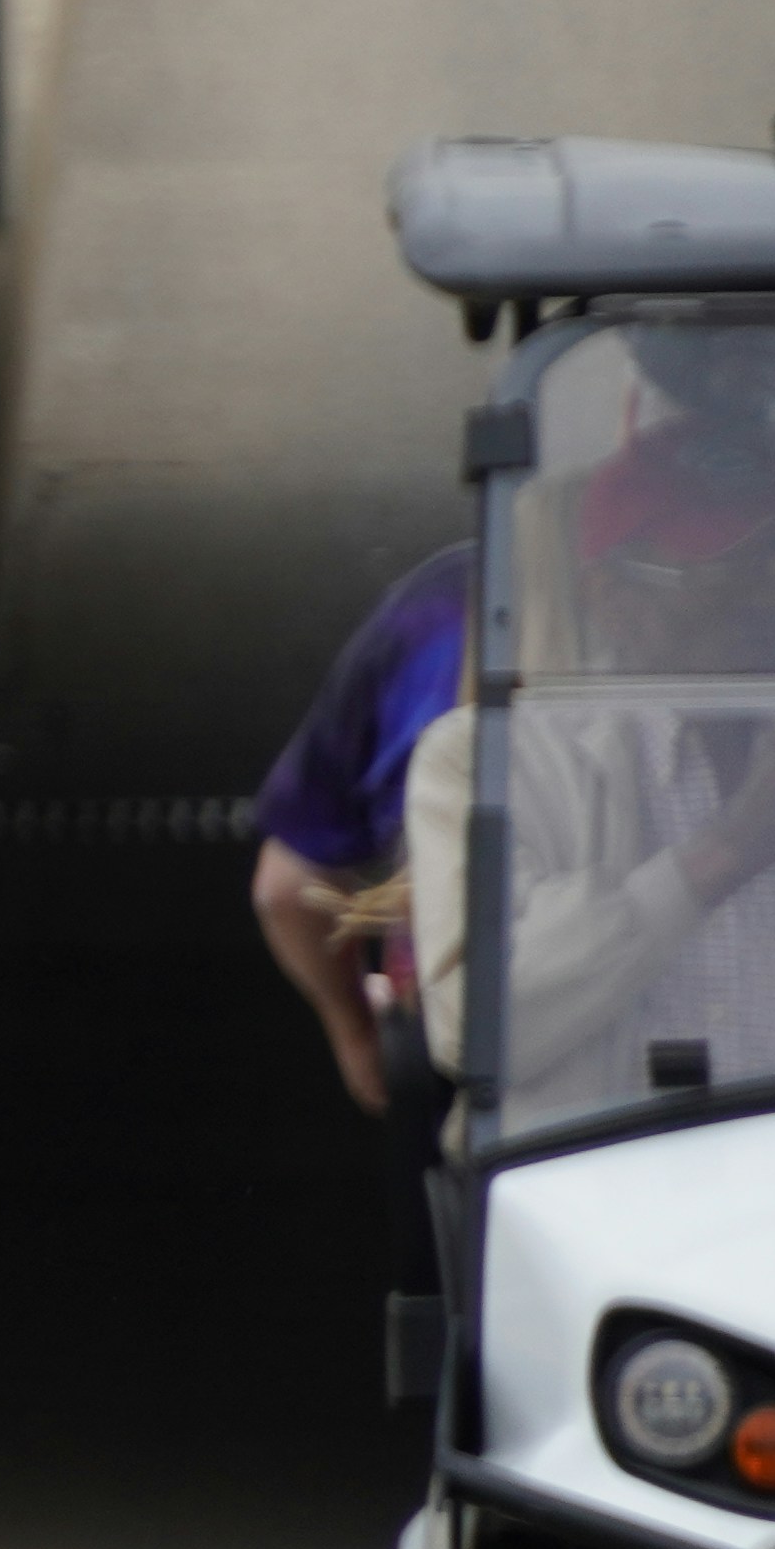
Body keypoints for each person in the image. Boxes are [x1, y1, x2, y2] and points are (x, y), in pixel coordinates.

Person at [410, 324, 775, 1121]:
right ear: (616, 602)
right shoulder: (489, 763)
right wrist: (725, 852)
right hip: (608, 1215)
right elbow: (477, 1026)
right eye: (720, 569)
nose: (763, 597)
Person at [249, 536, 469, 1329]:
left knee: (468, 1352)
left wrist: (357, 1033)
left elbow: (287, 888)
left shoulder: (441, 606)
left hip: (466, 1058)